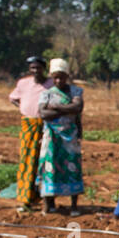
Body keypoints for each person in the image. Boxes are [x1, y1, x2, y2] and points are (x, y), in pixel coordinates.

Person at [36, 58, 84, 215]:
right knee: (49, 168)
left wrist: (56, 107)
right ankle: (49, 204)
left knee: (72, 167)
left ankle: (74, 205)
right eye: (55, 77)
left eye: (61, 77)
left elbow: (77, 107)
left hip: (70, 135)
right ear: (51, 77)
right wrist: (67, 109)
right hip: (52, 135)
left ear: (67, 76)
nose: (58, 80)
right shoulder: (46, 94)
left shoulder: (76, 91)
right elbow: (43, 113)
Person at [8, 55, 51, 212]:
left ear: (43, 69)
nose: (35, 71)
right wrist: (23, 108)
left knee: (45, 162)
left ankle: (44, 198)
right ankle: (26, 198)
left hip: (46, 126)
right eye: (33, 68)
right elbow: (13, 98)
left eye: (38, 68)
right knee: (27, 160)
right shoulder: (23, 83)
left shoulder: (50, 84)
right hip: (29, 125)